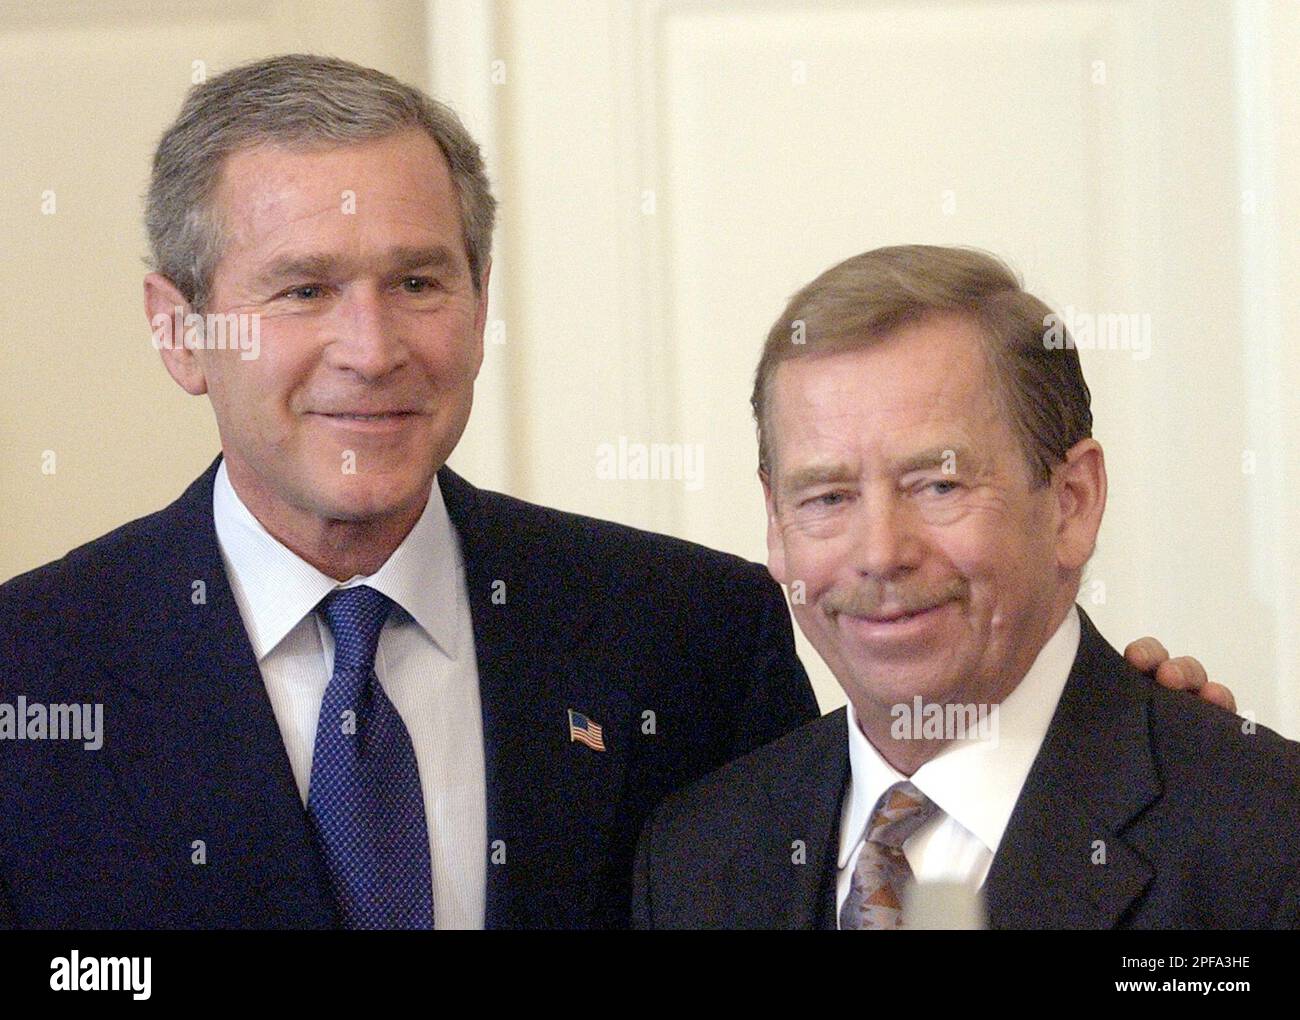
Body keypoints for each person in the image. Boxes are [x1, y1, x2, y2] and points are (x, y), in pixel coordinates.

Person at [0, 58, 1221, 930]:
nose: (372, 349)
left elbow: (892, 848)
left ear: (481, 302)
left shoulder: (689, 634)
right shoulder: (30, 672)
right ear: (180, 329)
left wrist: (1108, 738)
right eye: (303, 291)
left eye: (419, 281)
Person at [633, 245, 1300, 929]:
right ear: (776, 525)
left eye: (939, 485)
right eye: (828, 498)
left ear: (1072, 502)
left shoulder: (1268, 843)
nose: (882, 553)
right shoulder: (696, 859)